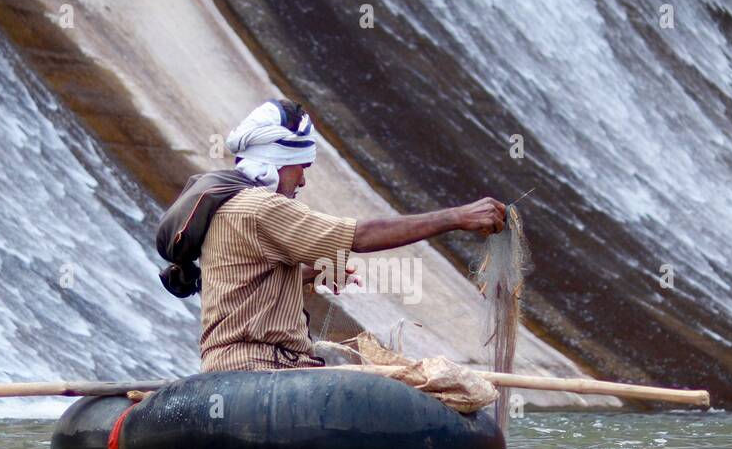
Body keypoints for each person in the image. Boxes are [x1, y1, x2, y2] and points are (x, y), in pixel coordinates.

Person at [155, 99, 505, 372]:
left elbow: (247, 277)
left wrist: (312, 275)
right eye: (300, 169)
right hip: (263, 368)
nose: (303, 181)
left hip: (225, 369)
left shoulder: (228, 206)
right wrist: (456, 217)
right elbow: (362, 236)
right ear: (276, 163)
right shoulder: (263, 208)